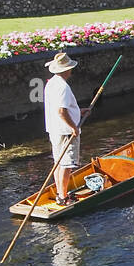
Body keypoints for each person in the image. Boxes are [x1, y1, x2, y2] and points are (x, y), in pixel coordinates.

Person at [44, 51, 83, 205]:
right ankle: (63, 197)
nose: (71, 71)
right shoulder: (63, 87)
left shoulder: (51, 83)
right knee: (66, 164)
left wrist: (80, 111)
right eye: (70, 68)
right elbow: (62, 111)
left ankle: (61, 194)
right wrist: (73, 127)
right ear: (66, 70)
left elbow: (60, 108)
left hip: (54, 129)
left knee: (58, 162)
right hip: (65, 131)